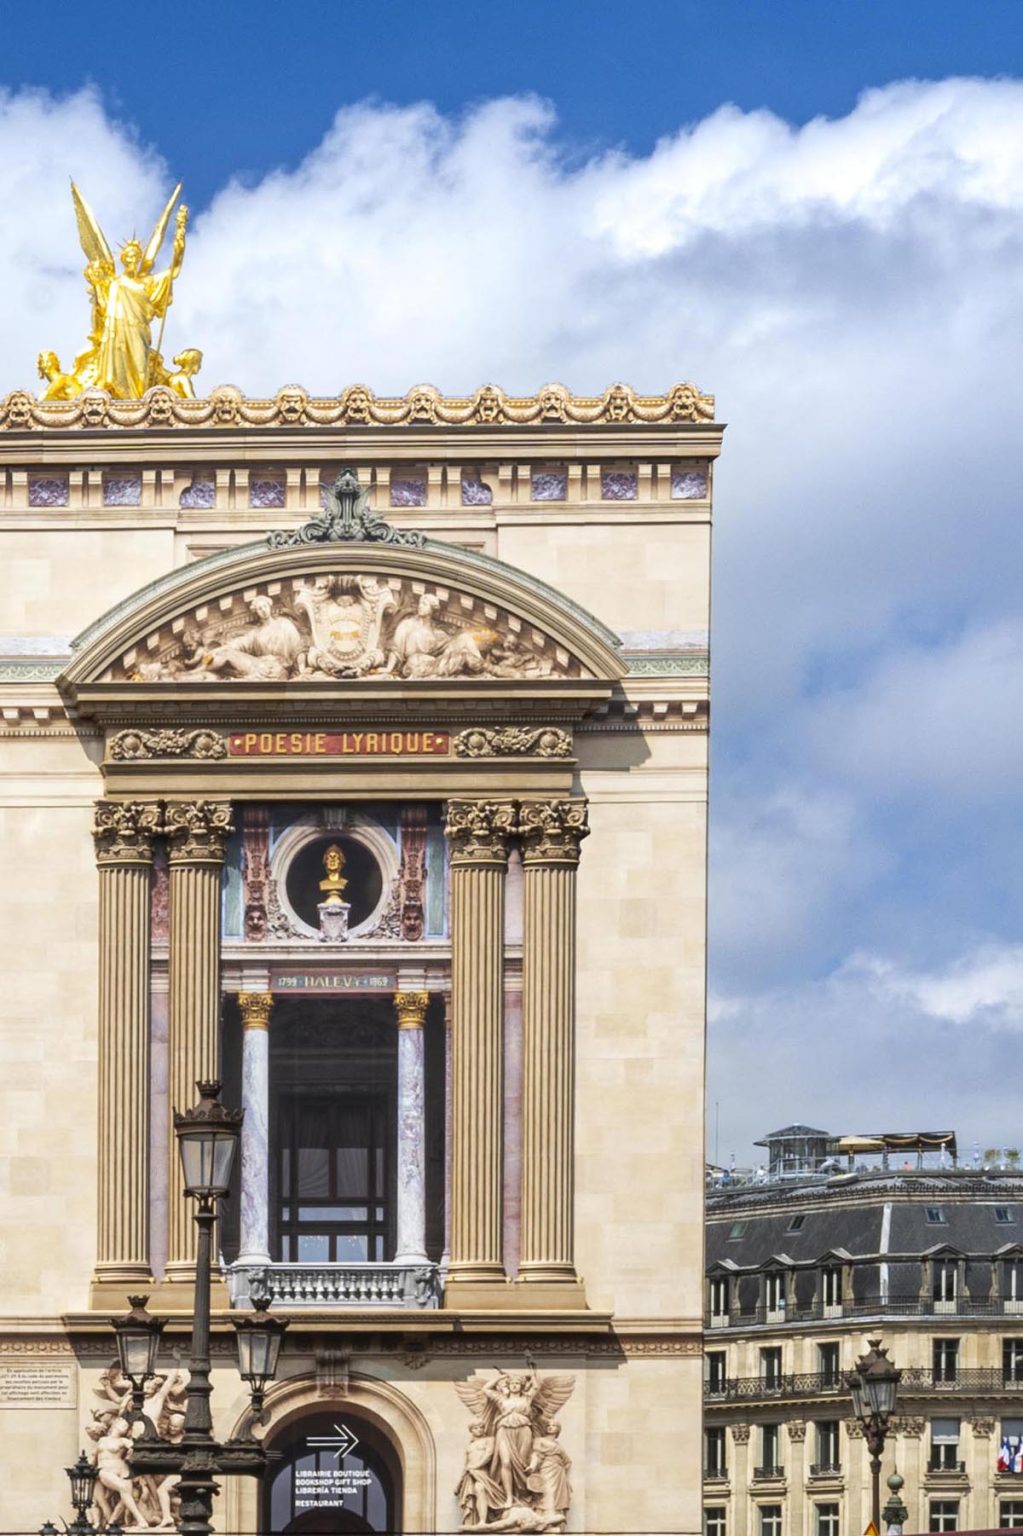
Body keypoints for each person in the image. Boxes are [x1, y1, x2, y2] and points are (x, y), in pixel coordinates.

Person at [456, 1419, 506, 1528]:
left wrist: (476, 1466)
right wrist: (459, 1483)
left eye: (481, 1427)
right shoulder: (470, 1446)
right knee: (474, 1494)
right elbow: (466, 1464)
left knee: (480, 1488)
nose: (479, 1430)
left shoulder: (489, 1440)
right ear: (471, 1431)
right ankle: (478, 1521)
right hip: (470, 1474)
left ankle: (483, 1521)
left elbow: (488, 1455)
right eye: (475, 1428)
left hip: (482, 1473)